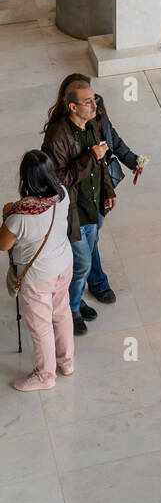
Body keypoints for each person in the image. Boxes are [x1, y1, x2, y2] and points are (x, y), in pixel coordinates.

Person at [41, 77, 139, 334]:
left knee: (84, 255)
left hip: (94, 205)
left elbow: (103, 160)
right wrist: (89, 157)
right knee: (82, 262)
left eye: (94, 99)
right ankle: (70, 310)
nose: (95, 105)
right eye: (88, 101)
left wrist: (107, 190)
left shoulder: (93, 124)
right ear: (73, 107)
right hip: (72, 213)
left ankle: (74, 300)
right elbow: (58, 181)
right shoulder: (57, 137)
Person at [0, 151, 73, 392]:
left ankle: (45, 375)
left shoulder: (19, 215)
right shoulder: (62, 194)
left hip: (37, 277)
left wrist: (6, 214)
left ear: (26, 179)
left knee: (41, 325)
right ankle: (66, 362)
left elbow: (3, 244)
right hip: (64, 262)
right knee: (61, 313)